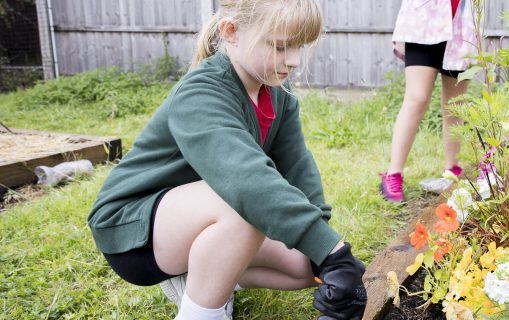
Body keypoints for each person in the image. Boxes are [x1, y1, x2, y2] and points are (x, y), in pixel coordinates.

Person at [86, 1, 367, 319]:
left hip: (200, 213)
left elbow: (297, 165)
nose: (294, 60)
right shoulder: (200, 93)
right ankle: (202, 312)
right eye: (279, 46)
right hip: (134, 230)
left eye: (299, 46)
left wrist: (327, 250)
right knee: (245, 207)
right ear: (231, 32)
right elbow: (247, 182)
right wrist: (332, 251)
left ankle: (207, 274)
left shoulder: (277, 90)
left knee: (307, 266)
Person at [380, 0, 478, 202]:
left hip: (463, 25)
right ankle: (393, 174)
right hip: (424, 20)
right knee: (417, 98)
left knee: (456, 104)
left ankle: (452, 170)